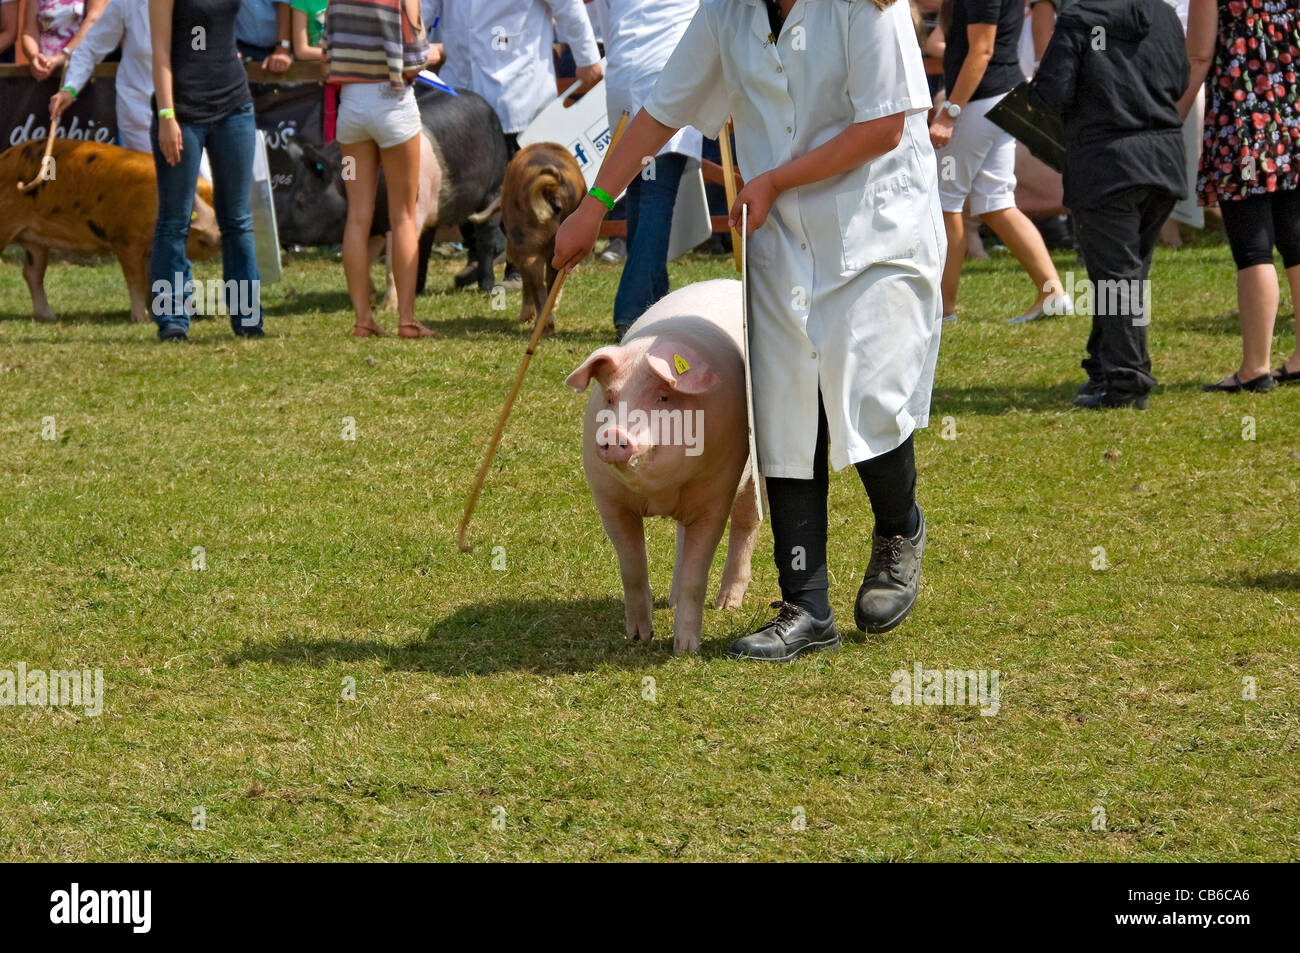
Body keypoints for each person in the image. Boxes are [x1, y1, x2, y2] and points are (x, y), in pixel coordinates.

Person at [554, 0, 945, 662]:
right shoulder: (727, 12)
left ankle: (898, 530)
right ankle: (805, 605)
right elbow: (659, 111)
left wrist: (773, 179)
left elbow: (882, 127)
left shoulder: (864, 8)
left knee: (867, 388)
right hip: (783, 235)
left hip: (875, 223)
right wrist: (595, 204)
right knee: (787, 413)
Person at [1029, 0, 1188, 410]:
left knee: (1117, 277)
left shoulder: (1082, 17)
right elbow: (1181, 78)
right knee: (1125, 272)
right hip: (1162, 158)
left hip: (1108, 163)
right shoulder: (1165, 15)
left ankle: (1126, 381)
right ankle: (1105, 366)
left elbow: (1052, 91)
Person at [430, 0, 603, 288]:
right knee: (467, 180)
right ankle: (478, 256)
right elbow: (422, 7)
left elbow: (567, 5)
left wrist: (586, 57)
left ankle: (518, 268)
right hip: (462, 87)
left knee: (522, 188)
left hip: (517, 87)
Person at [1180, 0, 1300, 392]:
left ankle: (1255, 368)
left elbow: (1198, 55)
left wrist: (1170, 118)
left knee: (1253, 247)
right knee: (1296, 242)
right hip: (1294, 123)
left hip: (1244, 130)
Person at [931, 0, 1069, 323]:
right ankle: (1052, 293)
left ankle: (942, 309)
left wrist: (950, 112)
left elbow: (982, 50)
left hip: (981, 102)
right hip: (1003, 98)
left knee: (946, 202)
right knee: (995, 203)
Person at [150, 0, 263, 341]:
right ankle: (171, 318)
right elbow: (160, 53)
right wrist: (167, 116)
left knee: (238, 219)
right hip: (182, 111)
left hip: (234, 106)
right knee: (174, 220)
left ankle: (248, 319)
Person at [322, 0, 434, 338]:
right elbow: (414, 62)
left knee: (358, 215)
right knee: (403, 216)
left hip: (352, 113)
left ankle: (362, 320)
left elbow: (327, 61)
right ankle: (407, 320)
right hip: (394, 109)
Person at [605, 0, 702, 340]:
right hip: (667, 75)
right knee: (655, 195)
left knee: (642, 190)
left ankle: (655, 300)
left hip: (625, 72)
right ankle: (635, 309)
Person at [49, 0, 153, 153]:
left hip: (185, 114)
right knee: (148, 175)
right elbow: (91, 47)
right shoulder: (126, 3)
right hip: (138, 116)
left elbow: (199, 50)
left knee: (199, 175)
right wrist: (70, 87)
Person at [21, 0, 108, 80]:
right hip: (44, 73)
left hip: (81, 72)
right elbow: (29, 31)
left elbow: (93, 21)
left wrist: (62, 57)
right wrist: (34, 56)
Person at [235, 0, 293, 72]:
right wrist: (230, 48)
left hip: (278, 48)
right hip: (241, 47)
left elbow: (284, 5)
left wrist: (283, 49)